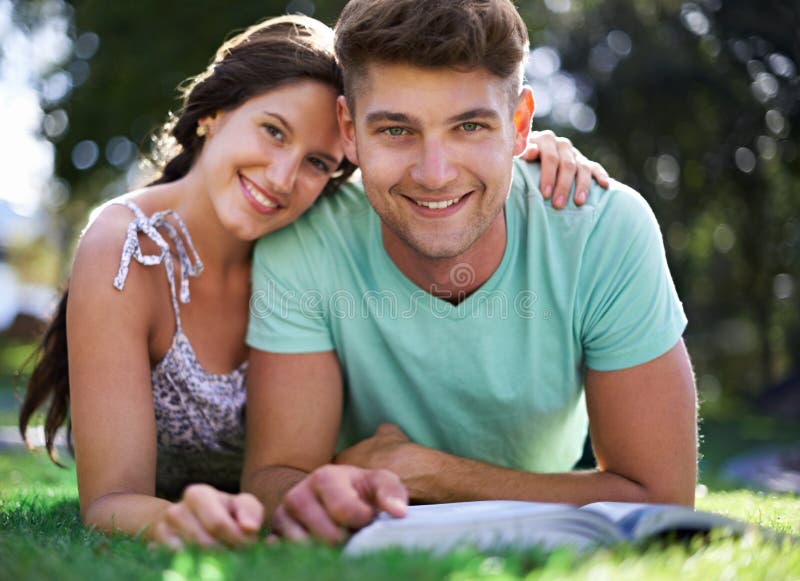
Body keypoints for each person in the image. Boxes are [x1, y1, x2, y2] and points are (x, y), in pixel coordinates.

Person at [18, 14, 604, 548]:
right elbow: (111, 501)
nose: (282, 178)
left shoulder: (319, 243)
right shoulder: (126, 249)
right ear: (214, 113)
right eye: (273, 131)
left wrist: (523, 154)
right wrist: (187, 522)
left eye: (318, 162)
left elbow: (428, 169)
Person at [242, 0, 698, 545]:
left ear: (520, 125)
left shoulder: (603, 229)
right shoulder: (305, 242)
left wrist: (429, 474)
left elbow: (662, 497)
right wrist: (311, 498)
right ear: (348, 129)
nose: (435, 174)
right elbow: (273, 477)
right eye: (396, 130)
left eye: (470, 126)